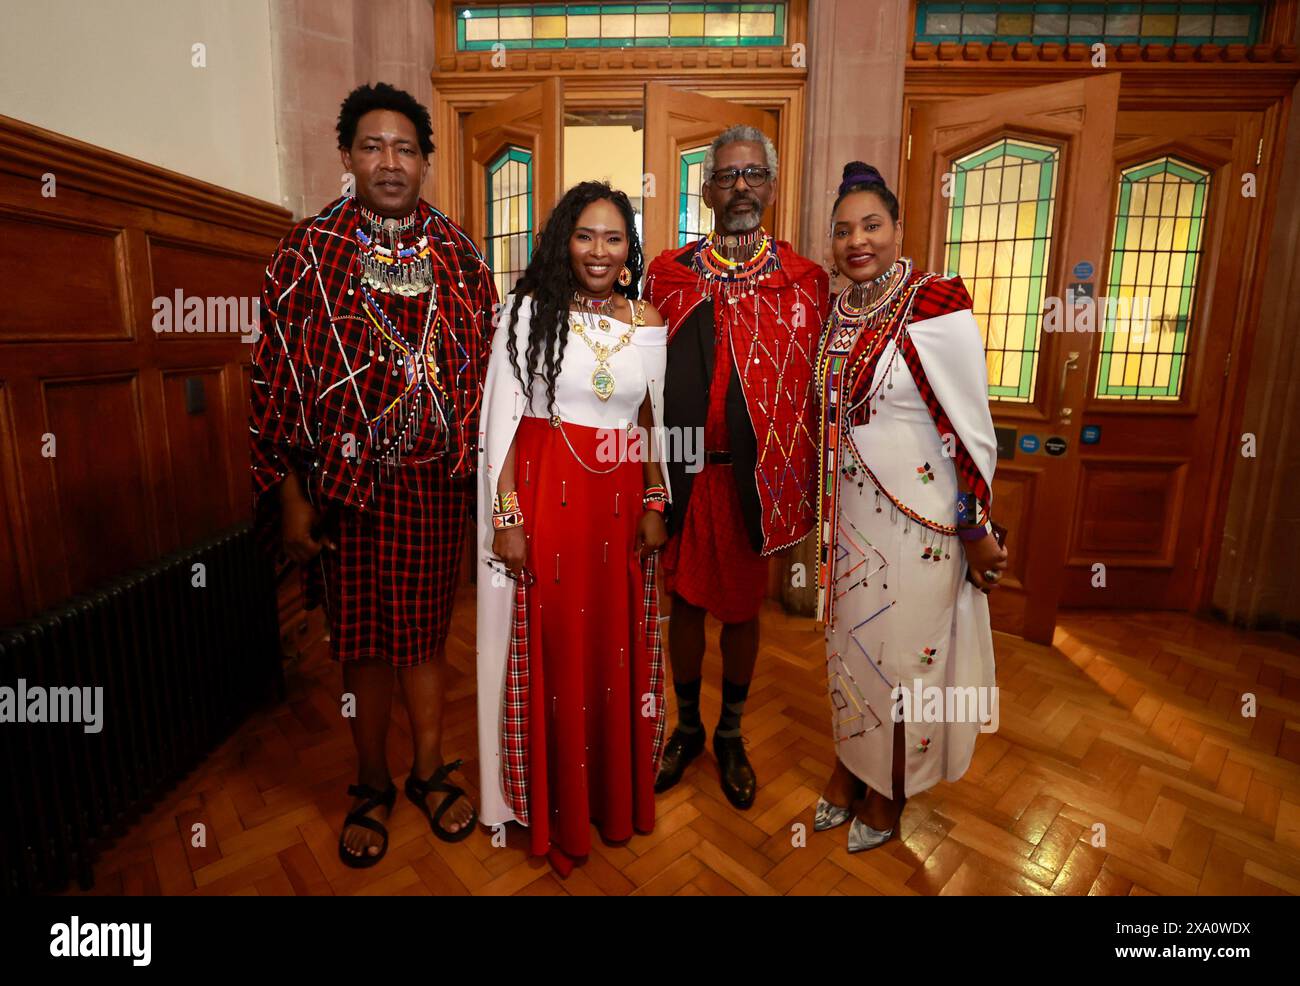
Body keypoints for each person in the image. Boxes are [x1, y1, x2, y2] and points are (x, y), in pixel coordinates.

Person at [249, 83, 495, 868]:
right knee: (360, 645)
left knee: (425, 639)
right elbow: (272, 380)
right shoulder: (306, 252)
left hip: (435, 484)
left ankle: (428, 769)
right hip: (347, 490)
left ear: (426, 160)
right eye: (371, 147)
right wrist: (288, 497)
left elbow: (496, 379)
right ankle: (370, 782)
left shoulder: (463, 257)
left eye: (404, 148)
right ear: (348, 156)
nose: (389, 162)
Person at [476, 182, 670, 876]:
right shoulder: (527, 312)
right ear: (565, 240)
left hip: (616, 505)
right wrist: (507, 518)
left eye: (613, 238)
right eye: (585, 235)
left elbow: (650, 420)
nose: (598, 250)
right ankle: (551, 807)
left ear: (628, 251)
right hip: (547, 496)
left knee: (612, 651)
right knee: (556, 649)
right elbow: (498, 423)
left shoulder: (646, 316)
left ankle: (610, 801)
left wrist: (654, 499)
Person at [814, 161, 1007, 852]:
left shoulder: (935, 305)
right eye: (842, 231)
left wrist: (975, 525)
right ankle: (848, 766)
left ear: (898, 229)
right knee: (851, 656)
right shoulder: (837, 313)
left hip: (923, 526)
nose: (856, 241)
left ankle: (889, 790)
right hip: (851, 524)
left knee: (904, 665)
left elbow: (969, 425)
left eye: (871, 226)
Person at [645, 125, 829, 809]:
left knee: (743, 610)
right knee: (685, 602)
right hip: (688, 466)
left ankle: (729, 733)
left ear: (773, 187)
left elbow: (824, 385)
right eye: (727, 175)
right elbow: (637, 382)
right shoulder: (668, 275)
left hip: (759, 478)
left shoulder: (805, 283)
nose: (741, 186)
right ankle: (687, 727)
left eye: (753, 174)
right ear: (707, 190)